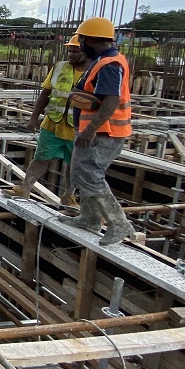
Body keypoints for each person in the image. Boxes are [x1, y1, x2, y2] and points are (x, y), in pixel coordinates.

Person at [60, 17, 134, 246]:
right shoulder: (101, 60)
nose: (80, 45)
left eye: (81, 40)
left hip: (104, 132)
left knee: (90, 174)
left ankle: (118, 223)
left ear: (92, 39)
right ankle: (90, 218)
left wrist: (91, 129)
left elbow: (111, 100)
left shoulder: (110, 64)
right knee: (82, 172)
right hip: (94, 130)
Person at [3, 35, 88, 206]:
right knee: (41, 157)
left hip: (78, 127)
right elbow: (45, 94)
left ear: (86, 51)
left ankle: (68, 195)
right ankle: (25, 188)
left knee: (74, 163)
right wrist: (34, 117)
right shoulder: (60, 67)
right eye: (70, 51)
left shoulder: (95, 71)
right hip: (53, 123)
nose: (71, 54)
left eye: (75, 51)